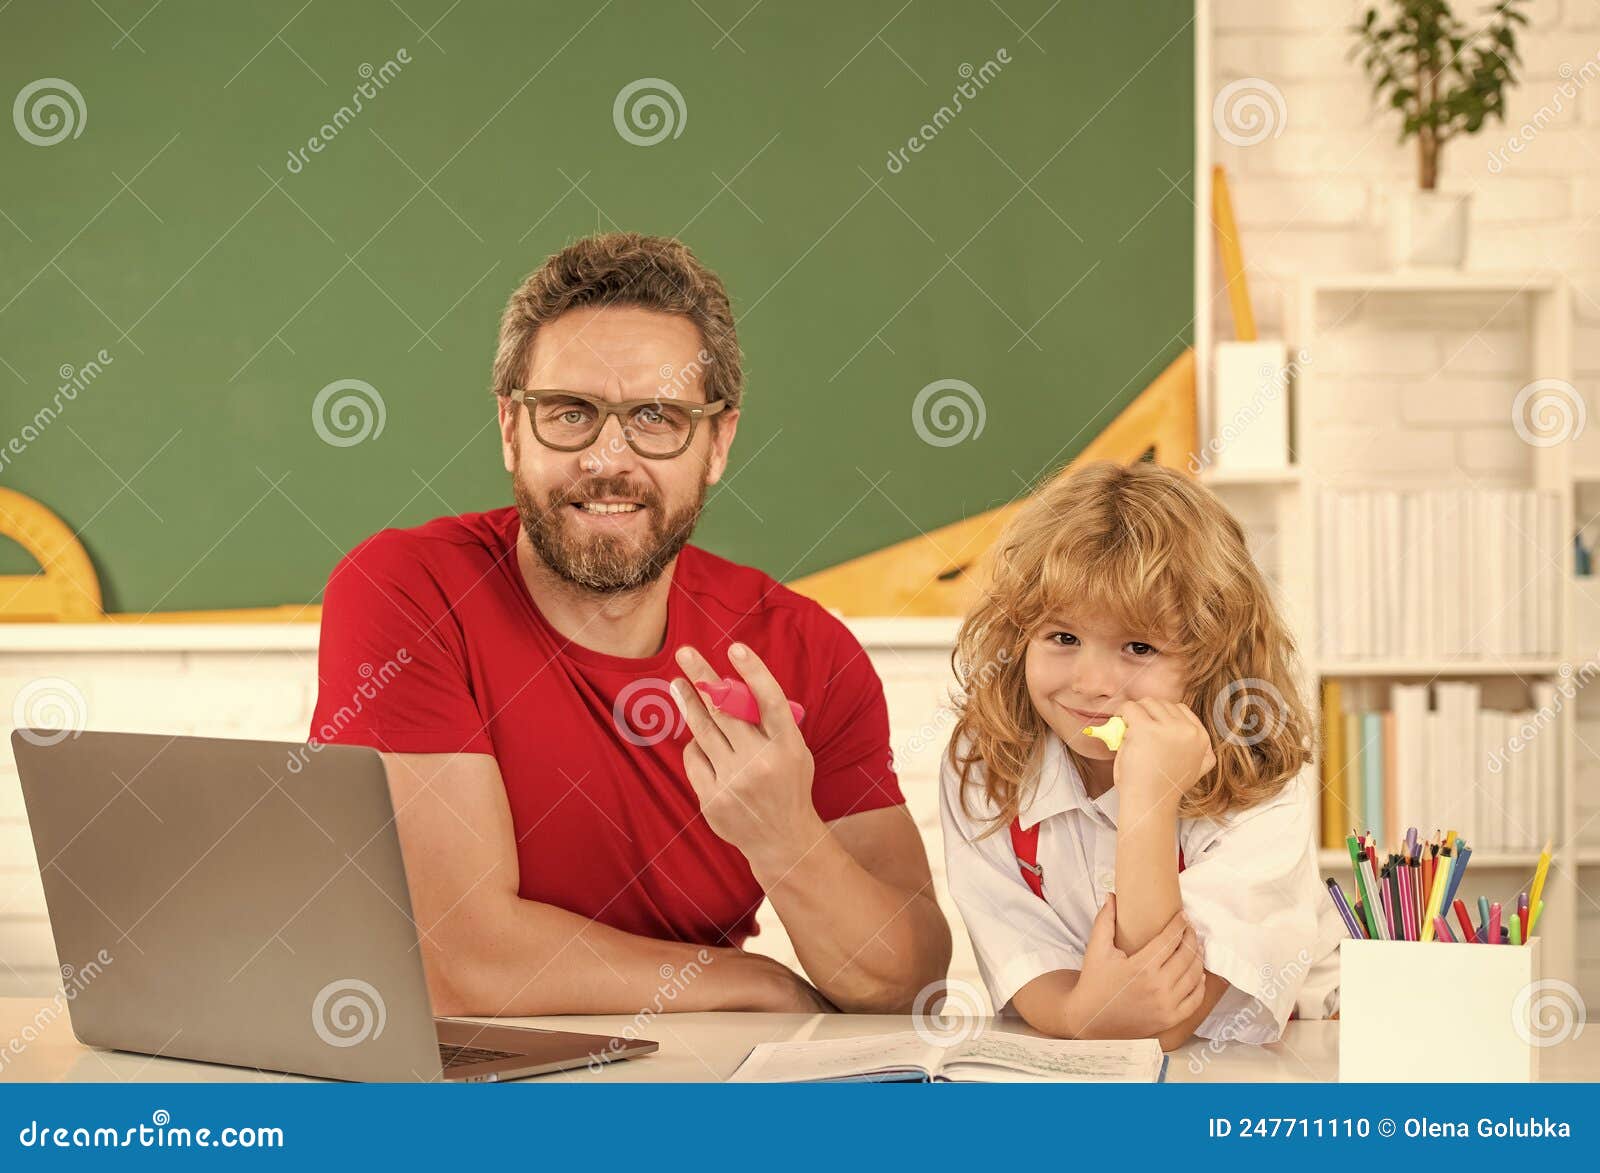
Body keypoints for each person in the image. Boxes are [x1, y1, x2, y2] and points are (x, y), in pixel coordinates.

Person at [311, 232, 950, 1018]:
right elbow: (462, 962)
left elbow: (907, 986)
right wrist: (757, 983)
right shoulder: (408, 590)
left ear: (717, 442)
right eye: (570, 413)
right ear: (511, 429)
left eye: (656, 416)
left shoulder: (804, 651)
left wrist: (788, 838)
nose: (607, 458)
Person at [939, 459, 1340, 1049]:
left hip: (1283, 1059)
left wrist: (1150, 796)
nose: (1094, 681)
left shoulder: (1262, 781)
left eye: (1139, 646)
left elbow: (1168, 1022)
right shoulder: (986, 763)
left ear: (1212, 659)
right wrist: (1083, 1015)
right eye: (1063, 638)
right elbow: (1027, 967)